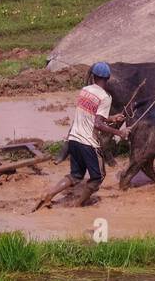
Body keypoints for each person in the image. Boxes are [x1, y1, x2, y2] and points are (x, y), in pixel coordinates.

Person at [35, 62, 128, 209]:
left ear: (93, 76)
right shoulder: (105, 97)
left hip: (73, 139)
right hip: (88, 143)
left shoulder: (85, 90)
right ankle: (78, 205)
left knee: (76, 176)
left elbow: (92, 116)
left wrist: (112, 118)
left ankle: (49, 195)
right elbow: (97, 124)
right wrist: (119, 132)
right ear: (108, 78)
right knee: (98, 177)